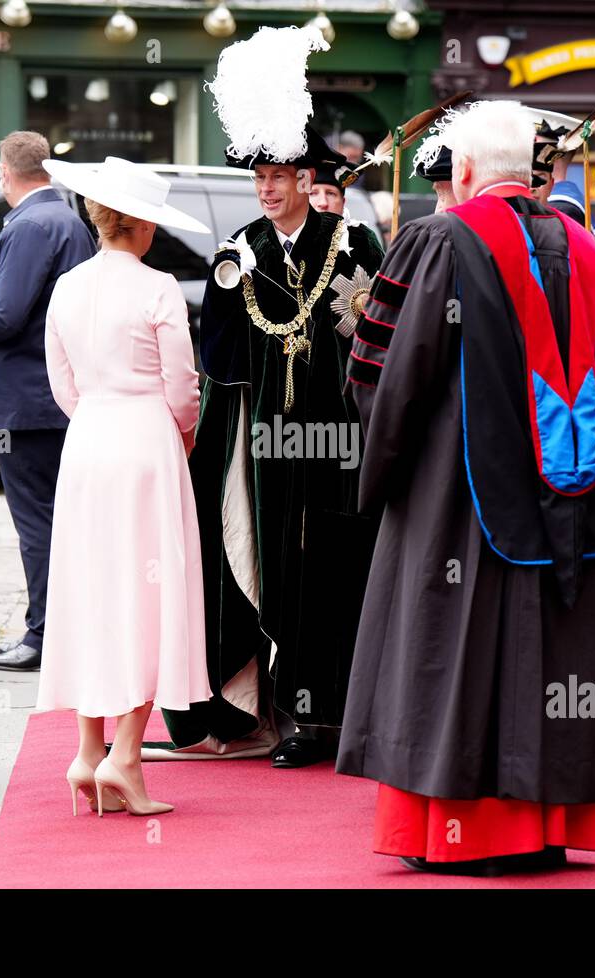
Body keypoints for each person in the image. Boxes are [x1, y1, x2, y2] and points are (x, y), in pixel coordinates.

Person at [337, 98, 595, 876]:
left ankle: (459, 834)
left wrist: (378, 469)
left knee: (451, 650)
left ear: (462, 171)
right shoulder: (587, 251)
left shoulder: (437, 241)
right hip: (558, 503)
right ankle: (543, 828)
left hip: (452, 503)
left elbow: (388, 382)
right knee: (545, 658)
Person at [153, 25, 385, 769]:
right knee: (262, 564)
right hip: (263, 445)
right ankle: (266, 712)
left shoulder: (351, 247)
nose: (267, 188)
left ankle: (324, 721)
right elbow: (218, 354)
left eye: (279, 176)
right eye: (258, 177)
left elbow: (375, 338)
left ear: (305, 176)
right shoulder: (240, 251)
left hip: (332, 442)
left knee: (327, 573)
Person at [33, 157, 213, 817]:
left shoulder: (67, 287)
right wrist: (179, 433)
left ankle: (87, 750)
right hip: (146, 446)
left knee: (94, 593)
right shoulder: (158, 286)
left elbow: (62, 383)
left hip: (88, 448)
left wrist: (97, 418)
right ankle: (127, 758)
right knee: (148, 598)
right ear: (138, 224)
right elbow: (182, 386)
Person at [0, 131, 95, 674]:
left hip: (27, 404)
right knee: (56, 521)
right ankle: (61, 630)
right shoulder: (64, 220)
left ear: (6, 175)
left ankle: (44, 635)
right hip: (45, 398)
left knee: (38, 523)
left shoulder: (34, 224)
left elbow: (7, 314)